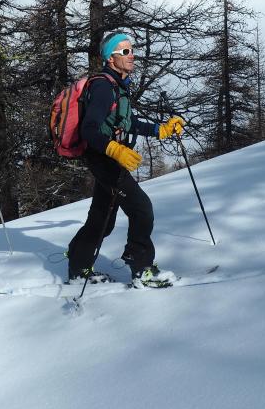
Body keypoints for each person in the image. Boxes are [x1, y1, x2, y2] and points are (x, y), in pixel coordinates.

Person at [66, 31, 185, 287]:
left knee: (102, 218)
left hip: (105, 158)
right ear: (111, 58)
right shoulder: (102, 87)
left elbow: (126, 122)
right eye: (124, 51)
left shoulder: (116, 86)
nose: (131, 55)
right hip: (103, 158)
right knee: (142, 209)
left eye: (131, 50)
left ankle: (78, 266)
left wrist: (159, 130)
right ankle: (141, 268)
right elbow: (89, 129)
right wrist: (114, 150)